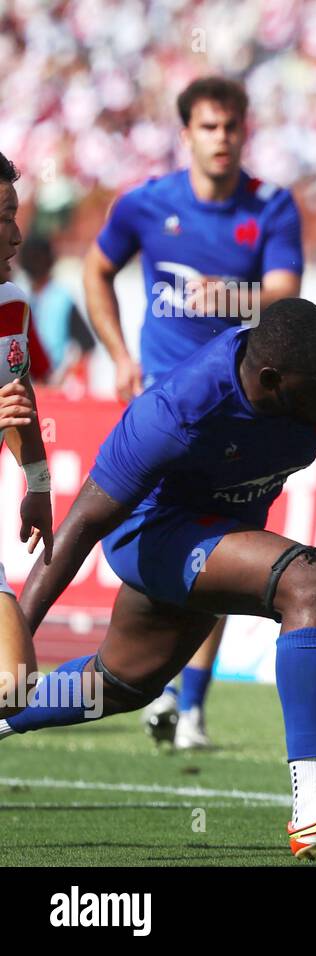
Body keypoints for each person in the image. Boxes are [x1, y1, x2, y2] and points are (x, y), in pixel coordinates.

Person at [9, 298, 316, 858]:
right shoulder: (177, 410)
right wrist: (11, 646)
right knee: (306, 581)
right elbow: (82, 524)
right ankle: (312, 800)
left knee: (121, 684)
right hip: (153, 536)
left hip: (221, 530)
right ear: (269, 379)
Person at [83, 76, 304, 749]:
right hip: (163, 409)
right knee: (153, 536)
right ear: (186, 133)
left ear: (246, 130)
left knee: (225, 543)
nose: (221, 139)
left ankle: (190, 705)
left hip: (242, 409)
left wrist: (231, 299)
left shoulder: (272, 207)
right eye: (208, 127)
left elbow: (286, 299)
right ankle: (132, 677)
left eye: (232, 127)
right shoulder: (146, 204)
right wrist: (118, 353)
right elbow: (95, 271)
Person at [0, 152, 55, 718]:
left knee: (13, 685)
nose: (16, 235)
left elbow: (18, 398)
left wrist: (36, 481)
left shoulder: (10, 305)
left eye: (14, 215)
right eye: (1, 219)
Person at [18, 236, 96, 388]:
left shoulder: (62, 299)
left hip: (54, 384)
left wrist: (63, 377)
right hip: (26, 383)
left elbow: (87, 345)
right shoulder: (21, 296)